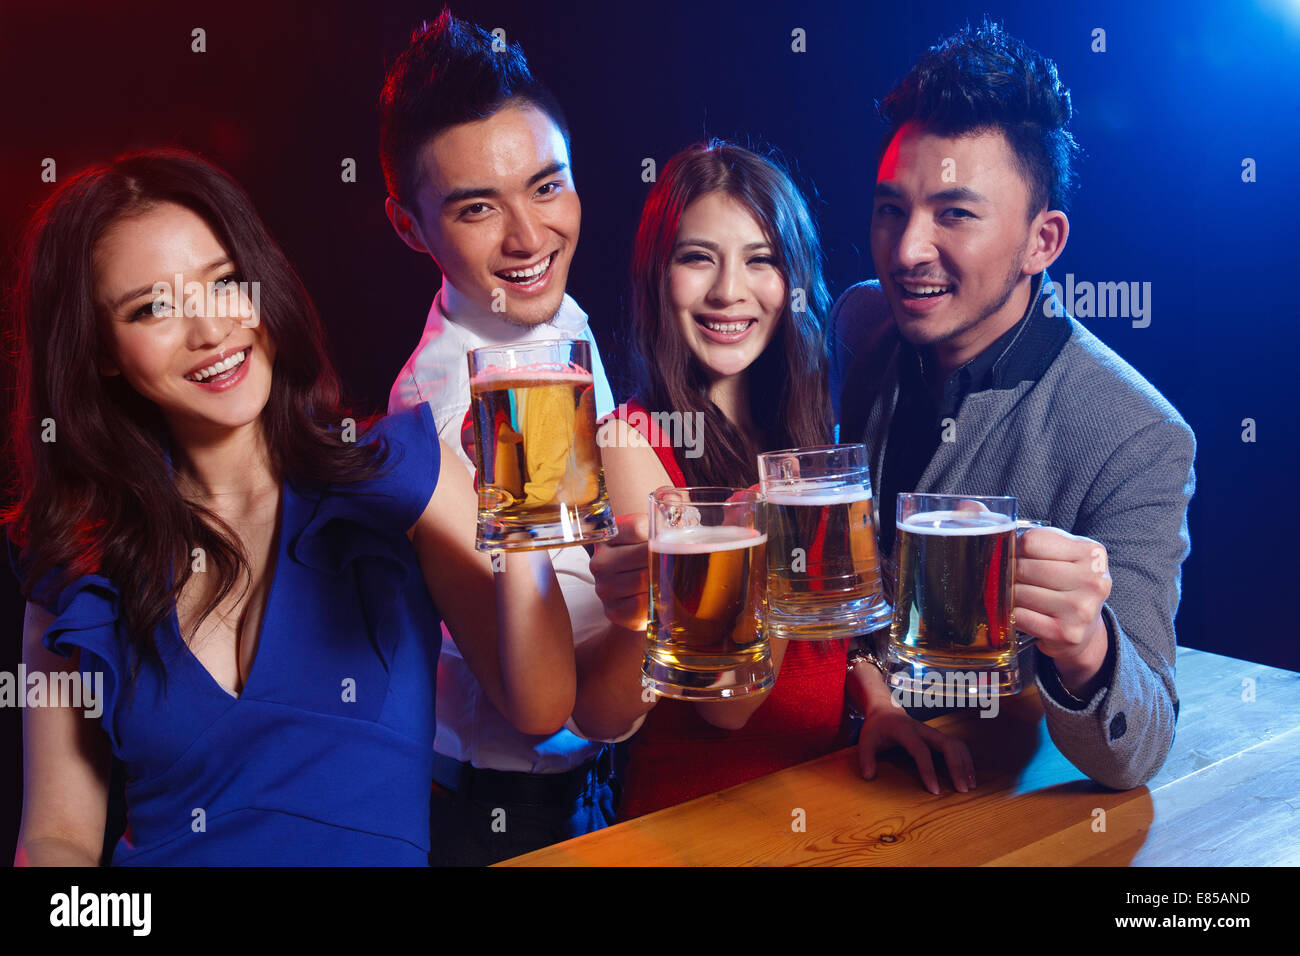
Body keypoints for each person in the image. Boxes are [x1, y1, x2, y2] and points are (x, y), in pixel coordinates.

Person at [4, 149, 575, 866]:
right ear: (103, 352)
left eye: (223, 283)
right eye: (152, 308)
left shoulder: (401, 472)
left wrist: (520, 513)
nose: (210, 332)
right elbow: (56, 838)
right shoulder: (78, 567)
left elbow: (540, 705)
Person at [831, 21, 1195, 790]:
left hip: (963, 811)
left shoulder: (1138, 434)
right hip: (817, 768)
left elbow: (1142, 746)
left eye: (955, 214)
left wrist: (1089, 652)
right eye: (891, 209)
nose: (905, 251)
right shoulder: (862, 326)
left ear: (1043, 242)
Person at [571, 141, 976, 819]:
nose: (730, 290)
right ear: (657, 277)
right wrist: (779, 523)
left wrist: (876, 703)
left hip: (828, 805)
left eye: (760, 260)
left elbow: (833, 632)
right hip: (701, 823)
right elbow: (728, 705)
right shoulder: (628, 438)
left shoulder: (808, 424)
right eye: (698, 257)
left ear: (791, 283)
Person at [377, 12, 621, 864]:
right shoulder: (433, 421)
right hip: (497, 818)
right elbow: (537, 702)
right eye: (478, 208)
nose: (529, 239)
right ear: (411, 226)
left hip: (599, 783)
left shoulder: (558, 316)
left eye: (548, 187)